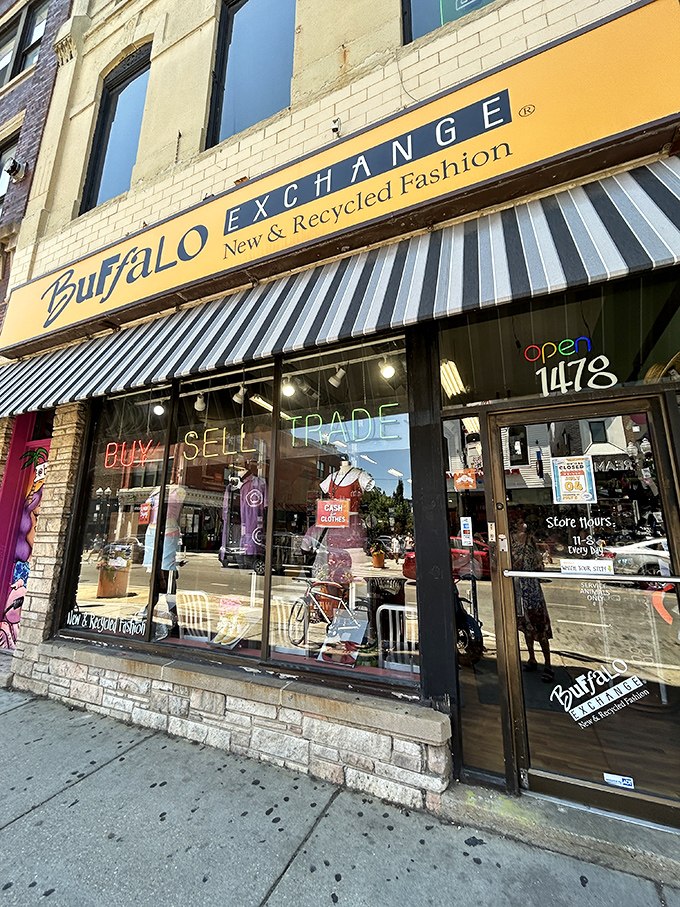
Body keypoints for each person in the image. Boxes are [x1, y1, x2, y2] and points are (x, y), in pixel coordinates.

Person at [511, 518, 553, 682]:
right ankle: (532, 658)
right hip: (517, 586)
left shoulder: (531, 539)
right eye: (519, 522)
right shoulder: (510, 539)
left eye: (523, 522)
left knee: (539, 625)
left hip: (531, 586)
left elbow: (538, 561)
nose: (522, 524)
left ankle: (548, 664)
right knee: (525, 625)